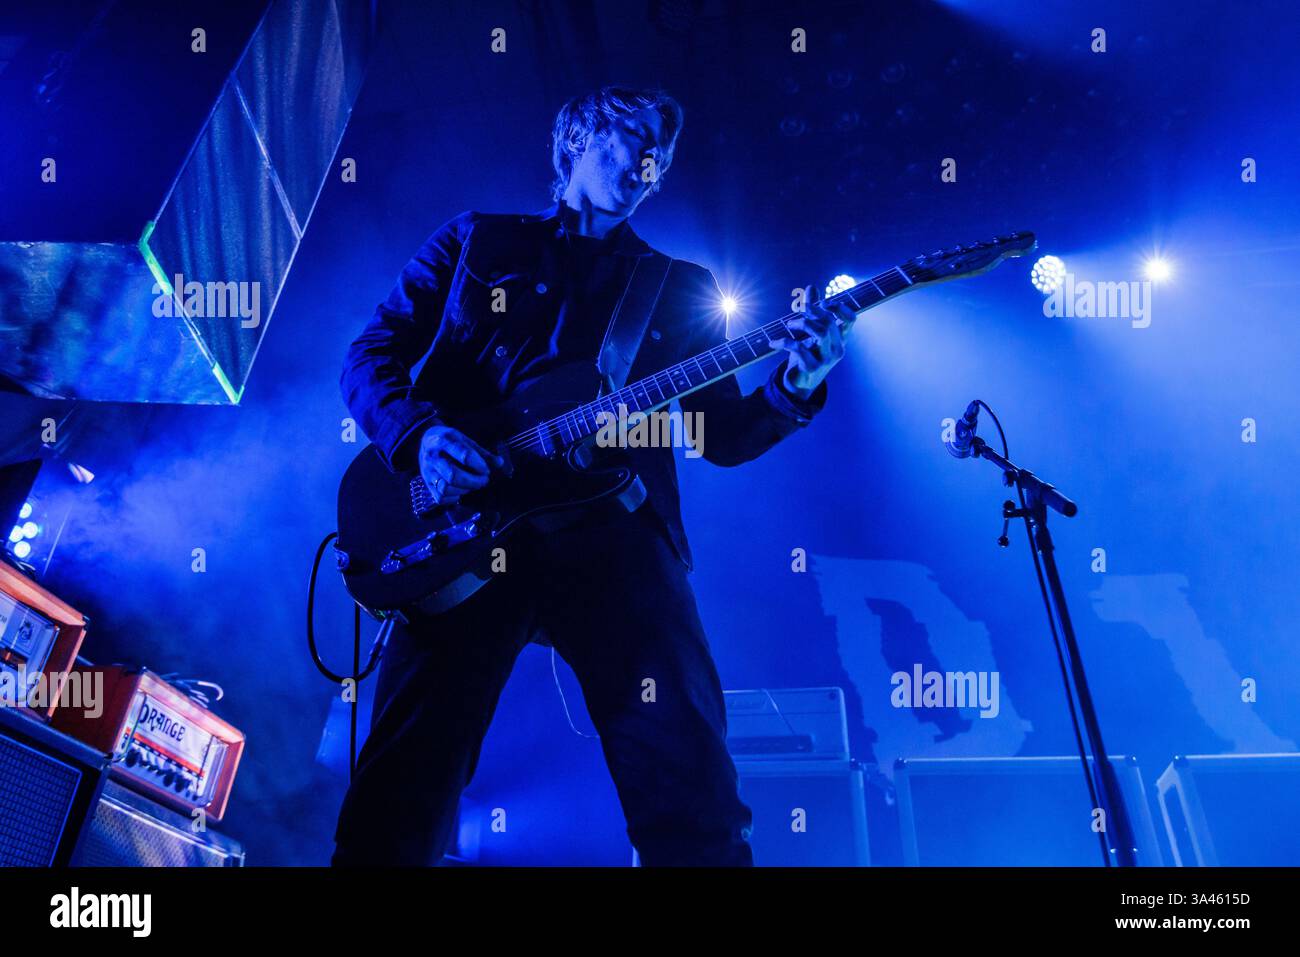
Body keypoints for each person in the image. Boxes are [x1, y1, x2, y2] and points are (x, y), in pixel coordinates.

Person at [333, 85, 856, 865]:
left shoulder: (676, 287)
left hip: (616, 541)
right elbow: (370, 353)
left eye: (663, 154)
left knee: (689, 783)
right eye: (633, 137)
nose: (649, 160)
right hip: (461, 536)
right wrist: (421, 436)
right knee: (404, 784)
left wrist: (796, 383)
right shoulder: (476, 242)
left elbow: (722, 436)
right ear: (573, 141)